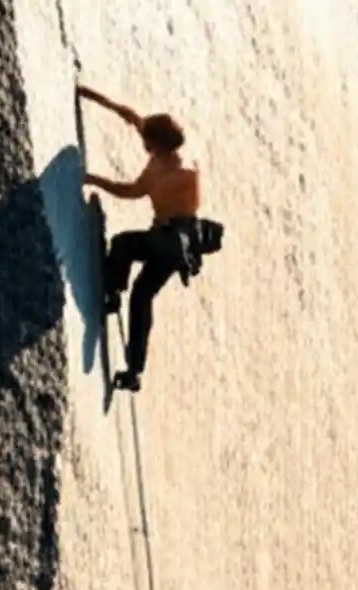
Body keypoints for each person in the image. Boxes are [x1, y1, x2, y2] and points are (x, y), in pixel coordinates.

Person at [77, 84, 211, 393]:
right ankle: (134, 371)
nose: (143, 143)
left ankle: (112, 293)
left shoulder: (168, 175)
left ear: (158, 146)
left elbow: (130, 191)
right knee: (143, 295)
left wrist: (91, 179)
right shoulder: (174, 153)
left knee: (123, 245)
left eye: (147, 142)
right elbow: (131, 116)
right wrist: (94, 96)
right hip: (184, 243)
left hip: (171, 239)